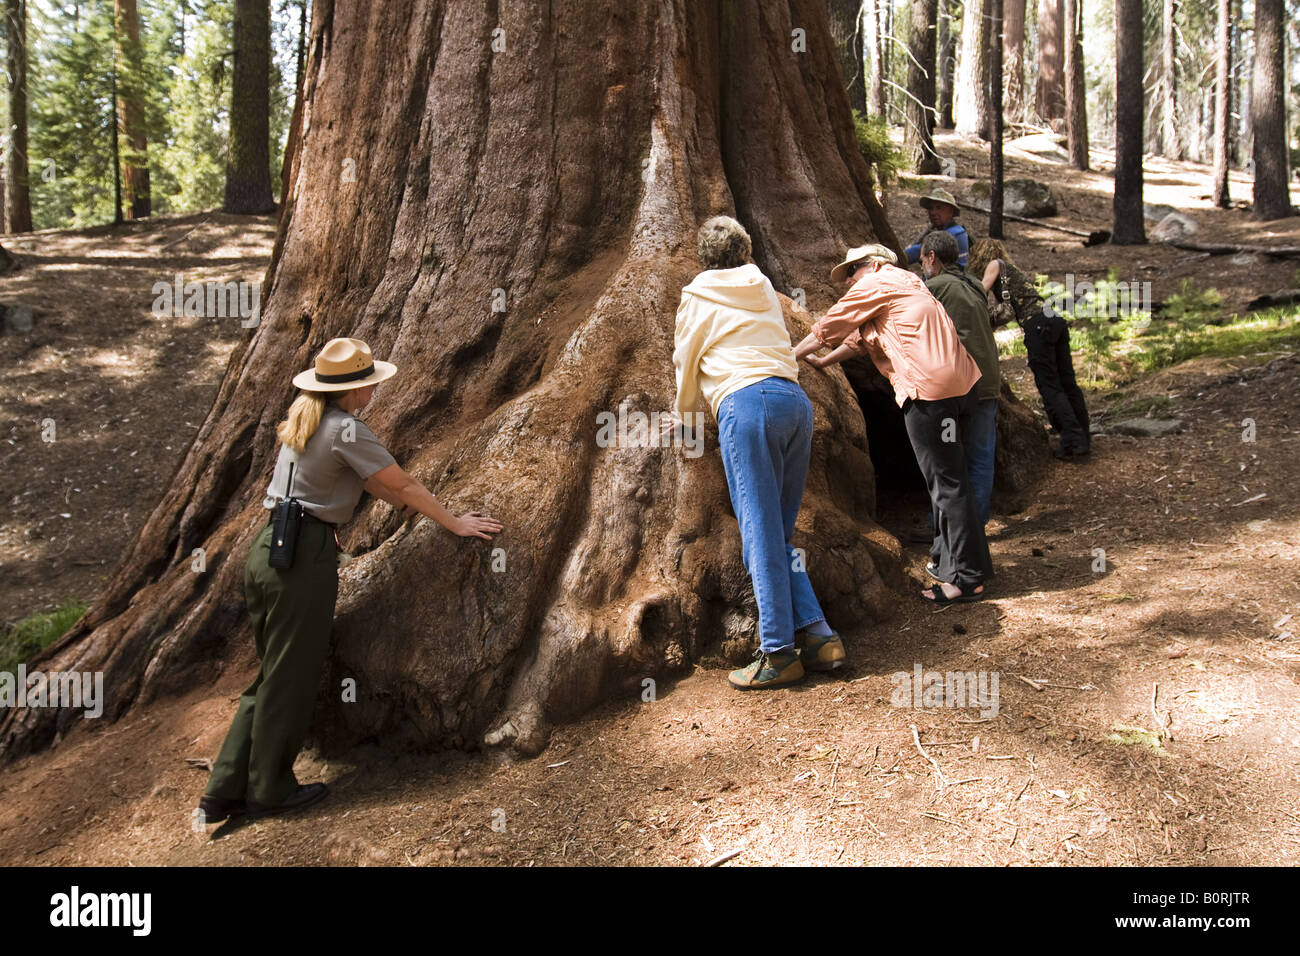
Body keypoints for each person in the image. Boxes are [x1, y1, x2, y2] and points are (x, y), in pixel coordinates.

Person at [198, 338, 503, 824]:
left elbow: (370, 483)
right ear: (355, 390)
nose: (374, 391)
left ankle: (225, 788)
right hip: (301, 558)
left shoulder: (307, 419)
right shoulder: (346, 429)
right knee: (290, 677)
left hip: (267, 552)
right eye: (369, 384)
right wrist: (454, 522)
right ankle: (269, 790)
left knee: (273, 672)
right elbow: (400, 482)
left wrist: (406, 511)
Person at [672, 216, 844, 690]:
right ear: (745, 250)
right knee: (777, 535)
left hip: (746, 405)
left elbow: (686, 358)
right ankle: (819, 636)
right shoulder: (762, 285)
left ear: (703, 256)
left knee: (759, 538)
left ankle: (777, 652)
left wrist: (686, 416)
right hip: (793, 403)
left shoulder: (698, 294)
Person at [794, 244, 992, 604]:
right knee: (951, 479)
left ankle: (967, 578)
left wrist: (786, 356)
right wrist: (823, 364)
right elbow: (858, 340)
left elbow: (832, 325)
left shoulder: (878, 283)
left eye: (853, 270)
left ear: (874, 264)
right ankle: (956, 566)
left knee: (947, 485)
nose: (849, 280)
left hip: (930, 393)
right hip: (962, 387)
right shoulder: (908, 283)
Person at [967, 238, 1091, 459]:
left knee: (1050, 385)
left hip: (1037, 325)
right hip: (1053, 320)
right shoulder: (1010, 268)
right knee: (1067, 381)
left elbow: (981, 289)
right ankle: (1082, 434)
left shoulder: (994, 264)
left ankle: (1072, 440)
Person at [920, 230, 999, 531]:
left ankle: (946, 528)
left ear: (931, 257)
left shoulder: (934, 287)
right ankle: (975, 527)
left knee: (946, 457)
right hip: (988, 381)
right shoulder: (974, 284)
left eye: (923, 258)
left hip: (958, 384)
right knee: (980, 456)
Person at [905, 187, 970, 267]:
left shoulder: (955, 233)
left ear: (950, 211)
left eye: (939, 208)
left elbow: (918, 251)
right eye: (930, 208)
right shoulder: (939, 230)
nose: (933, 212)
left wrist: (897, 257)